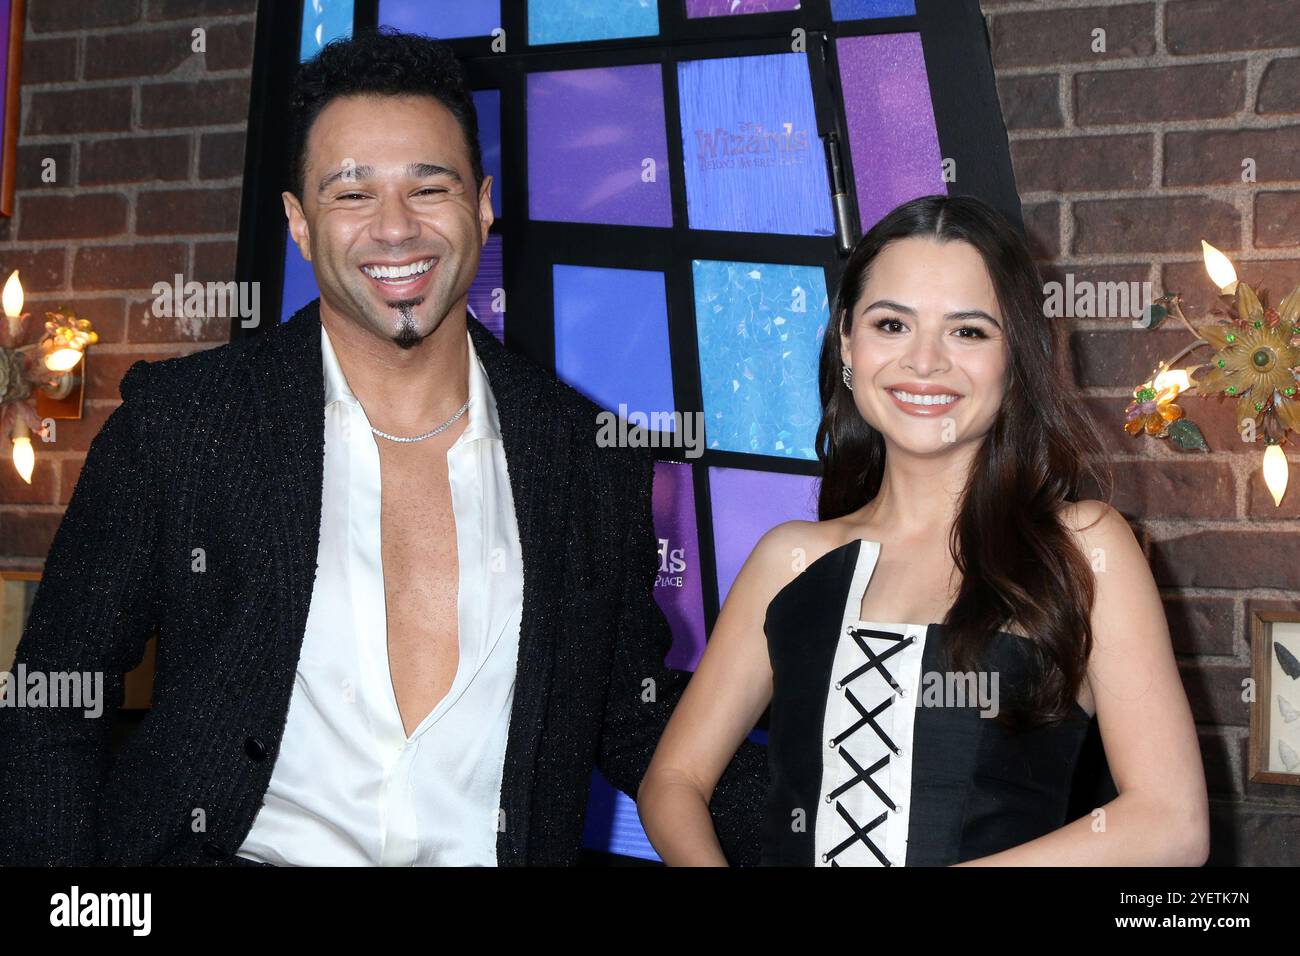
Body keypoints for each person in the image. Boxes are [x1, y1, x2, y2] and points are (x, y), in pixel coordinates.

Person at [0, 28, 765, 867]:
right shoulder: (185, 425)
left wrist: (847, 824)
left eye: (428, 188)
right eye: (351, 194)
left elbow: (633, 718)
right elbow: (48, 700)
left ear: (481, 204)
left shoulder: (586, 457)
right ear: (298, 221)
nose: (395, 229)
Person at [638, 194, 1210, 867]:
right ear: (847, 341)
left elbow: (1171, 822)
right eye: (892, 325)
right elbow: (672, 781)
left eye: (968, 331)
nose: (925, 362)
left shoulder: (1083, 548)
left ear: (1016, 357)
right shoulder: (790, 560)